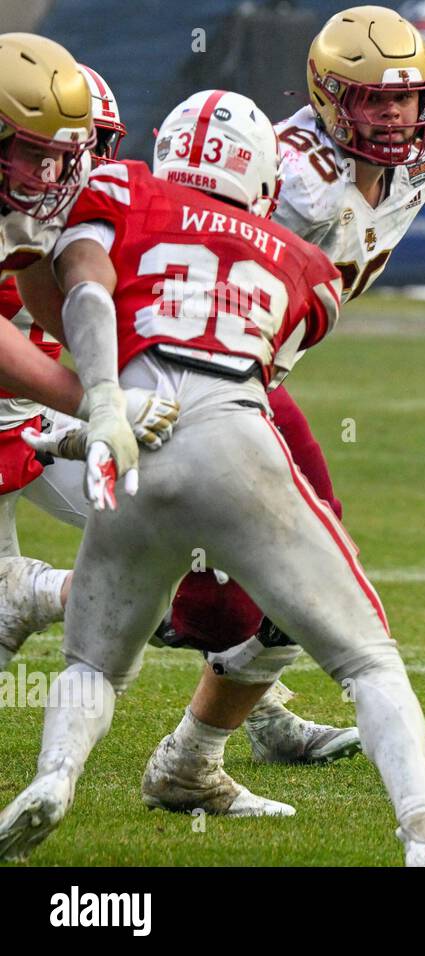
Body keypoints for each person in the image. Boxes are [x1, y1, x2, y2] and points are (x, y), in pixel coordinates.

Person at [14, 6, 425, 820]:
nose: (396, 117)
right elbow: (186, 262)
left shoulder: (412, 142)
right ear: (328, 99)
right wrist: (116, 386)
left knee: (269, 585)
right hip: (215, 378)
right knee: (247, 593)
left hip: (247, 376)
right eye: (373, 101)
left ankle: (205, 739)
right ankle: (170, 709)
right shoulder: (289, 178)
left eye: (408, 99)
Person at [0, 40, 178, 667]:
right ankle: (31, 593)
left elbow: (76, 285)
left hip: (30, 415)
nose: (57, 175)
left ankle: (250, 710)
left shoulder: (60, 206)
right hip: (22, 408)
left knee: (177, 510)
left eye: (72, 154)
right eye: (36, 152)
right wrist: (98, 401)